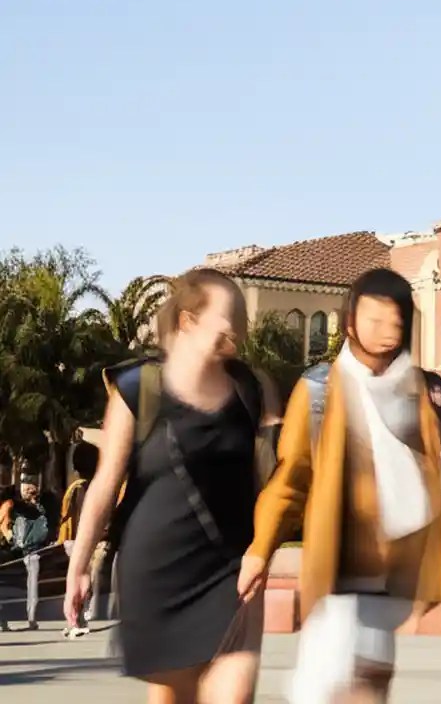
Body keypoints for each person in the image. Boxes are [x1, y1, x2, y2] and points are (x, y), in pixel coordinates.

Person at [239, 267, 441, 704]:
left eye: (395, 322)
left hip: (392, 574)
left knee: (371, 685)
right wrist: (260, 548)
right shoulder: (318, 391)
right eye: (374, 319)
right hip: (340, 574)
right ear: (350, 322)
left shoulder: (413, 394)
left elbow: (426, 480)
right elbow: (292, 476)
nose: (386, 331)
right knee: (330, 691)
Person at [63, 268, 269, 704]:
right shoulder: (140, 387)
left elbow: (269, 475)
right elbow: (105, 481)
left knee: (234, 695)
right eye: (223, 315)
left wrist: (264, 545)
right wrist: (79, 565)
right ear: (188, 320)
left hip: (229, 569)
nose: (234, 325)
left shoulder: (247, 388)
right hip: (159, 572)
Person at [59, 444, 106, 639]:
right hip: (80, 541)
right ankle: (74, 621)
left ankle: (77, 621)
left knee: (79, 582)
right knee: (83, 581)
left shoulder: (74, 488)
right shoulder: (85, 489)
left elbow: (65, 515)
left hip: (73, 540)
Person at [8, 474, 50, 632]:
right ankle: (31, 618)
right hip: (32, 550)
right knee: (32, 585)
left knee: (32, 585)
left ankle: (31, 617)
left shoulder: (24, 510)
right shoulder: (34, 510)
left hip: (29, 550)